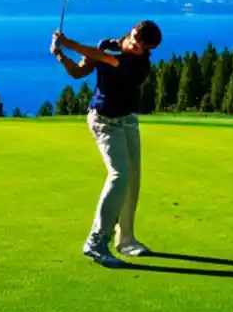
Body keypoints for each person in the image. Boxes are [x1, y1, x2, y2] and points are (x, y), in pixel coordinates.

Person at [51, 20, 163, 268]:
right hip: (104, 122)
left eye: (141, 47)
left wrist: (68, 43)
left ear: (147, 50)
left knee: (132, 181)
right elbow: (80, 72)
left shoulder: (139, 64)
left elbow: (103, 58)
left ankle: (126, 240)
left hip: (129, 122)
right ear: (132, 30)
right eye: (134, 38)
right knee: (120, 175)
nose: (134, 46)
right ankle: (96, 242)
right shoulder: (107, 45)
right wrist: (60, 54)